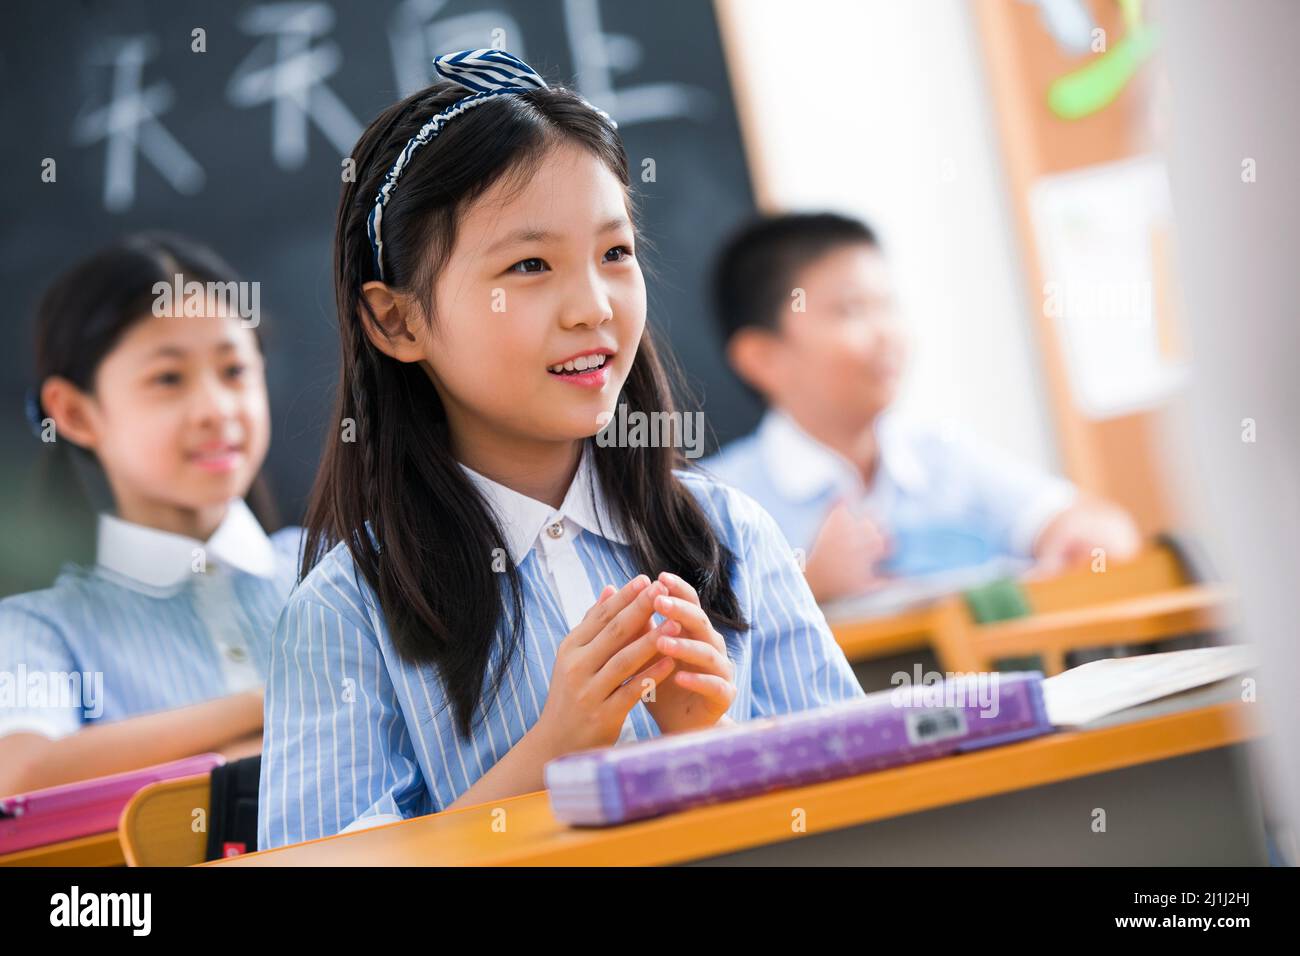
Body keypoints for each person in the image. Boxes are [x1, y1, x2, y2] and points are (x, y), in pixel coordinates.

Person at [258, 50, 864, 849]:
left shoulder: (731, 535)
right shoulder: (346, 610)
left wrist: (706, 749)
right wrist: (555, 752)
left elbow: (862, 803)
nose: (591, 307)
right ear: (396, 321)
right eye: (530, 266)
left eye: (615, 254)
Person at [704, 212, 1140, 604]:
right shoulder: (715, 502)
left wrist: (1077, 543)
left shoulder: (944, 456)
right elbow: (682, 656)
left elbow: (1098, 528)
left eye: (888, 306)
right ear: (762, 357)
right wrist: (803, 586)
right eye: (851, 310)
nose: (887, 333)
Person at [0, 234, 300, 795]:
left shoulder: (340, 567)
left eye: (234, 370)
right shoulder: (40, 627)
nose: (216, 410)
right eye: (168, 378)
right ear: (75, 412)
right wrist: (271, 703)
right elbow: (19, 779)